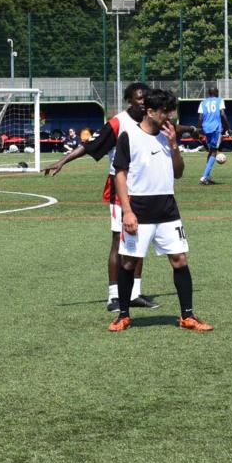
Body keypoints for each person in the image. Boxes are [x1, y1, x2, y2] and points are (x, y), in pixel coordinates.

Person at [43, 82, 168, 312]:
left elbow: (171, 130)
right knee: (118, 242)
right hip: (119, 188)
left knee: (139, 241)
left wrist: (191, 130)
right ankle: (113, 296)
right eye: (139, 98)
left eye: (145, 98)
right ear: (129, 100)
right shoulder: (118, 123)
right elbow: (89, 146)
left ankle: (133, 294)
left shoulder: (149, 121)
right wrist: (62, 161)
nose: (143, 101)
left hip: (143, 188)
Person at [109, 88, 213, 332]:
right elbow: (120, 175)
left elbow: (178, 172)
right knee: (128, 263)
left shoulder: (168, 136)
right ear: (150, 111)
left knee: (180, 259)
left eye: (170, 111)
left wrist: (174, 145)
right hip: (139, 209)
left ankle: (187, 316)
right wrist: (127, 211)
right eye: (164, 112)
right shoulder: (129, 136)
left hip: (167, 209)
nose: (169, 117)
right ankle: (123, 315)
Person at [199, 87, 229, 183]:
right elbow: (223, 114)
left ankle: (208, 175)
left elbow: (200, 117)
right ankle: (204, 176)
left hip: (206, 128)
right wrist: (227, 127)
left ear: (208, 93)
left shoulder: (202, 102)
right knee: (214, 152)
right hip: (216, 128)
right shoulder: (220, 100)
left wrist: (200, 130)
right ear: (216, 92)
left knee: (211, 151)